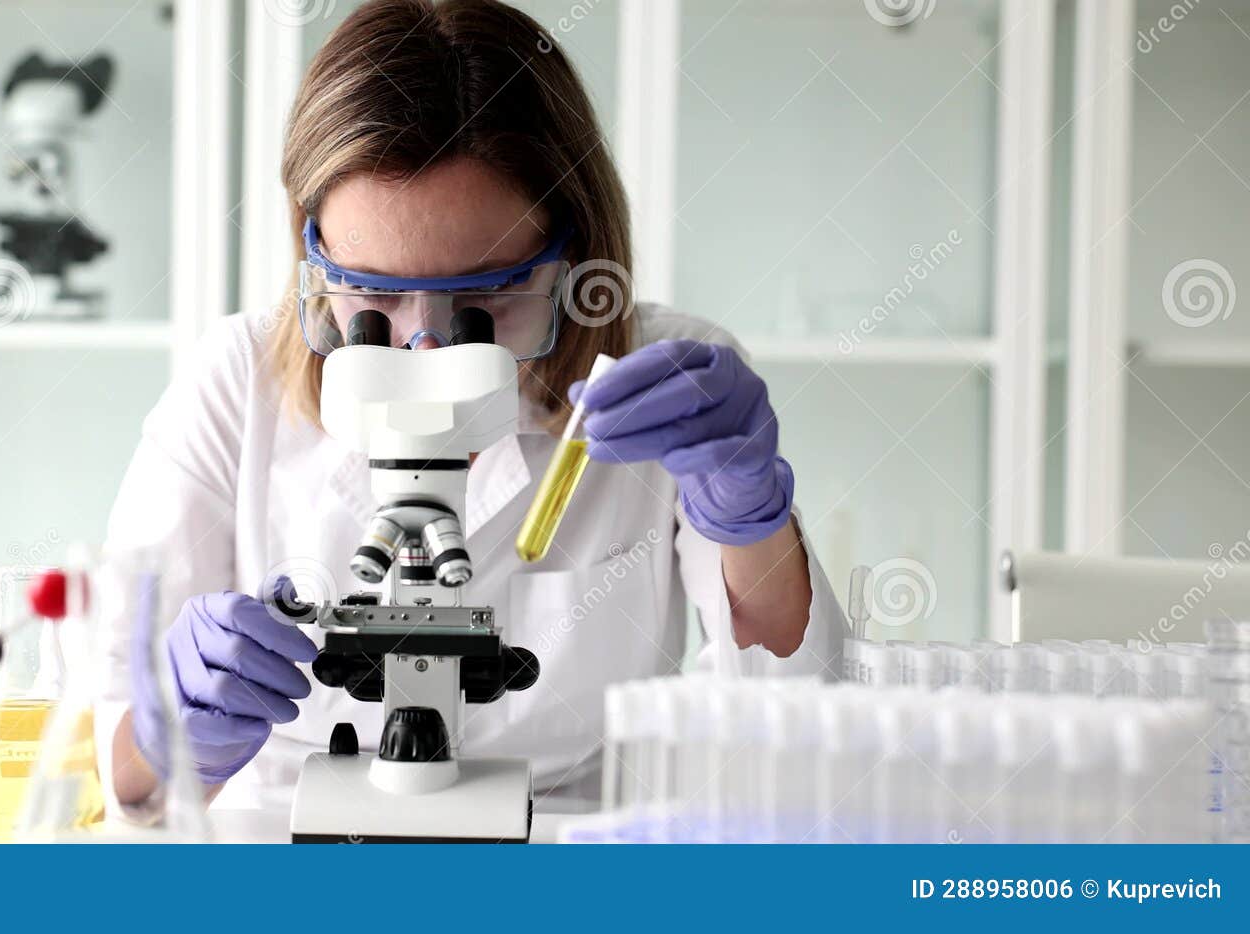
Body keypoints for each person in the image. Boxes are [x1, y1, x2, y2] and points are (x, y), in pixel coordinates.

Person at [95, 0, 845, 818]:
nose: (426, 346)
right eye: (375, 294)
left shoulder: (662, 385)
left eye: (482, 295)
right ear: (312, 252)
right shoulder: (238, 383)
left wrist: (749, 517)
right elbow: (117, 766)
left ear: (574, 248)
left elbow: (798, 707)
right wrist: (177, 732)